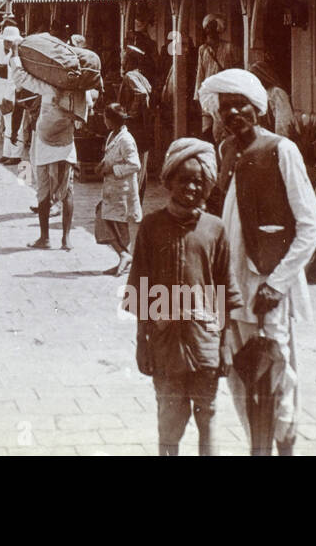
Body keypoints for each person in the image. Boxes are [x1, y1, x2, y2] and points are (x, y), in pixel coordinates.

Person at [199, 67, 316, 457]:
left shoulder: (281, 150)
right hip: (232, 286)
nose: (234, 114)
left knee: (276, 376)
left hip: (266, 286)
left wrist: (277, 283)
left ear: (257, 107)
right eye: (226, 108)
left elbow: (310, 224)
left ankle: (282, 450)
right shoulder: (226, 152)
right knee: (240, 377)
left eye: (241, 105)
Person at [128, 137, 244, 456]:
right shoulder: (151, 227)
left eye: (198, 181)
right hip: (164, 344)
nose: (191, 187)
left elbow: (226, 291)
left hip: (206, 342)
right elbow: (140, 290)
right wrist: (142, 342)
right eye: (184, 180)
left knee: (208, 416)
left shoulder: (215, 230)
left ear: (207, 185)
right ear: (169, 181)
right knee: (169, 421)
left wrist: (225, 346)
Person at [27, 86, 85, 251]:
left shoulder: (44, 84)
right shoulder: (77, 88)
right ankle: (65, 239)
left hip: (45, 147)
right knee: (67, 192)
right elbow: (82, 119)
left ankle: (45, 238)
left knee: (44, 192)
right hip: (65, 146)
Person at [97, 102, 143, 274]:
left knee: (119, 223)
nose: (104, 121)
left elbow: (135, 165)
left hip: (123, 190)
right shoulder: (112, 135)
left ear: (111, 120)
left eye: (105, 118)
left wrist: (112, 169)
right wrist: (102, 165)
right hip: (112, 189)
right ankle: (124, 256)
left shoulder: (126, 140)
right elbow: (111, 155)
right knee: (106, 218)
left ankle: (124, 256)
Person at [195, 14, 236, 144]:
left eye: (212, 27)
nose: (210, 30)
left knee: (222, 129)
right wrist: (198, 96)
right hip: (208, 94)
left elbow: (233, 71)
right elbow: (200, 74)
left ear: (218, 28)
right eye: (208, 27)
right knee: (207, 129)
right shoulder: (203, 49)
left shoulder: (228, 47)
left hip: (224, 94)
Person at [120, 44, 154, 163]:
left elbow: (142, 93)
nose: (122, 62)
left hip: (134, 124)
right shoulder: (140, 75)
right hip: (142, 123)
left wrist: (131, 114)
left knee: (133, 156)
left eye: (123, 59)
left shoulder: (129, 76)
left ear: (129, 61)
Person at [0, 26, 24, 164]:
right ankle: (7, 153)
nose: (6, 43)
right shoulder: (10, 56)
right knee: (8, 125)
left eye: (9, 41)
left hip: (15, 95)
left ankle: (15, 155)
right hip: (8, 94)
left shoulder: (17, 57)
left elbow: (18, 77)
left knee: (16, 126)